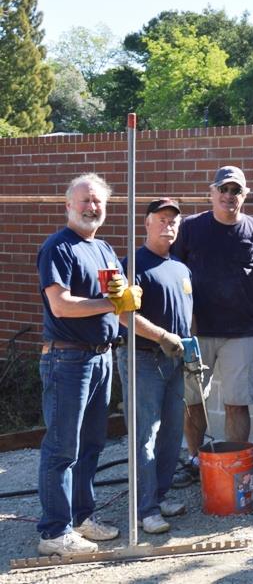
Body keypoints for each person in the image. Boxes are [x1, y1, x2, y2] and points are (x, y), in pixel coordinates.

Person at [35, 173, 142, 556]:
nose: (92, 207)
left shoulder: (106, 250)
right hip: (68, 358)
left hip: (102, 356)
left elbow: (122, 304)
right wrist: (112, 305)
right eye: (85, 200)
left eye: (98, 201)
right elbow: (61, 304)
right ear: (68, 205)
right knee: (62, 447)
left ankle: (81, 518)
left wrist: (151, 325)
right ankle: (53, 531)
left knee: (92, 444)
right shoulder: (58, 248)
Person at [171, 166, 253, 484]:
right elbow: (172, 274)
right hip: (195, 332)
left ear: (244, 195)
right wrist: (178, 323)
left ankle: (235, 468)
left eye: (236, 191)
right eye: (224, 189)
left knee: (237, 404)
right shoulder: (190, 229)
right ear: (212, 192)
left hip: (241, 332)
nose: (229, 196)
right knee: (192, 403)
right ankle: (195, 462)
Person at [115, 198, 192, 534]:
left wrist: (191, 347)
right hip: (143, 359)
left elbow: (189, 312)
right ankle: (145, 510)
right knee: (145, 434)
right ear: (146, 223)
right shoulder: (132, 265)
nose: (168, 225)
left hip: (175, 359)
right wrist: (162, 336)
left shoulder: (180, 266)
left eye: (173, 220)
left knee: (173, 434)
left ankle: (159, 497)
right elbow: (123, 315)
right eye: (161, 219)